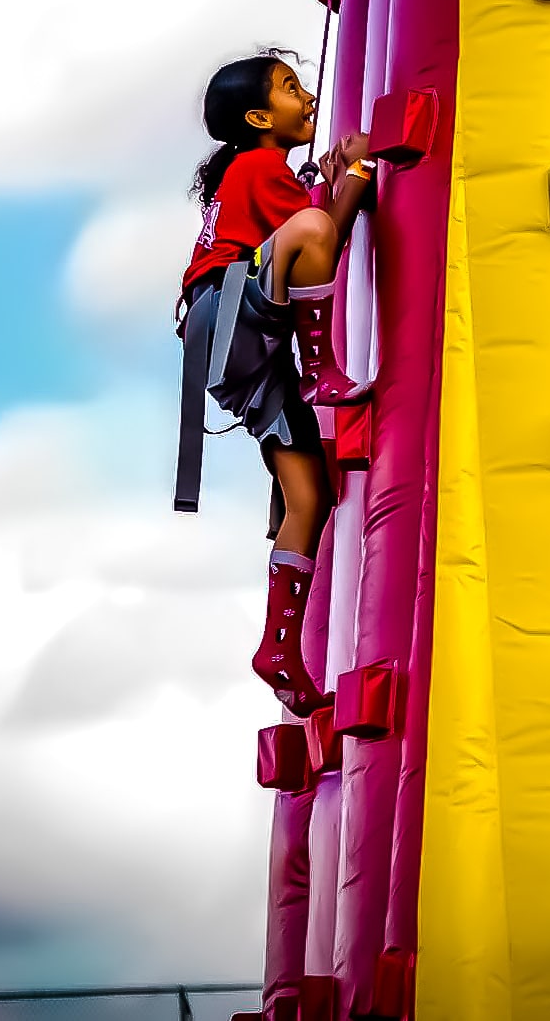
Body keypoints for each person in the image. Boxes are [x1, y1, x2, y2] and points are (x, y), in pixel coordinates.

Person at [174, 51, 374, 716]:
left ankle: (279, 648)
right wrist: (358, 173)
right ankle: (321, 373)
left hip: (229, 347)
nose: (307, 95)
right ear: (260, 118)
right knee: (314, 227)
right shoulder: (258, 165)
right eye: (291, 89)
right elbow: (326, 232)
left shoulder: (258, 176)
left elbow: (299, 232)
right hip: (231, 311)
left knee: (308, 497)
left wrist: (326, 180)